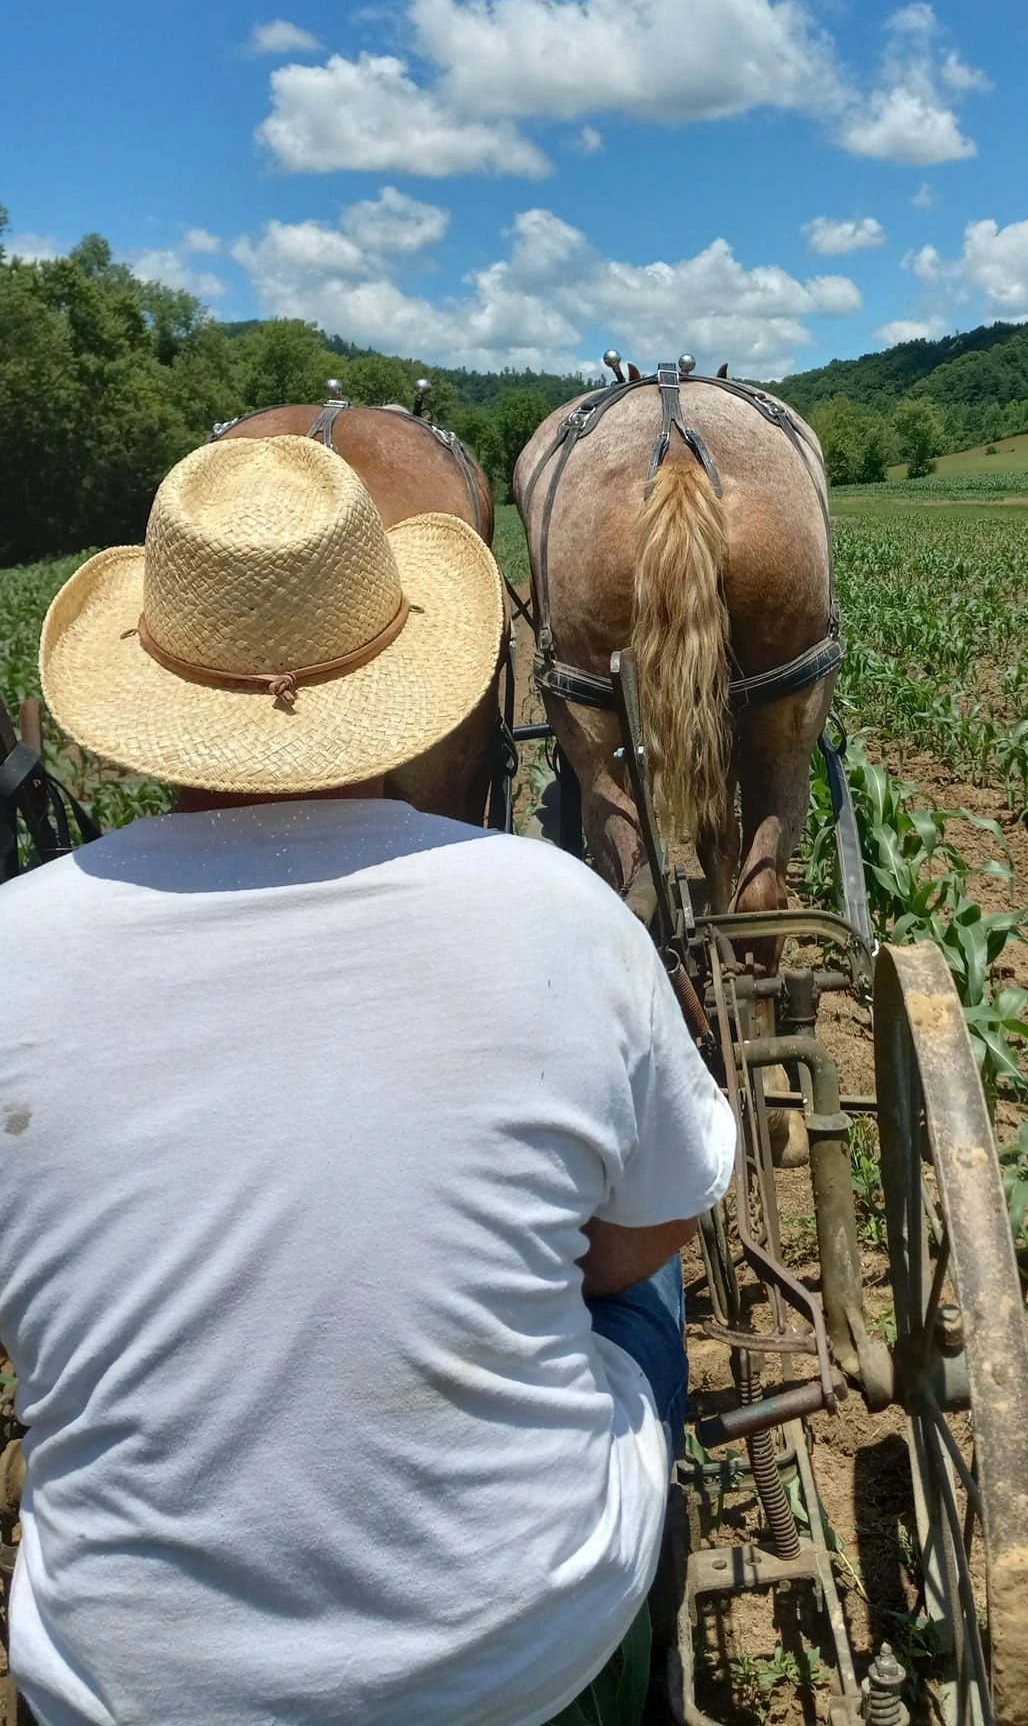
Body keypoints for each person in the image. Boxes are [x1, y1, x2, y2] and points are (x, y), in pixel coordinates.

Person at [0, 435, 736, 1726]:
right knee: (650, 1269)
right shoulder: (560, 914)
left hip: (127, 1696)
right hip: (522, 1673)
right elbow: (656, 1225)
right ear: (401, 675)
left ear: (146, 681)